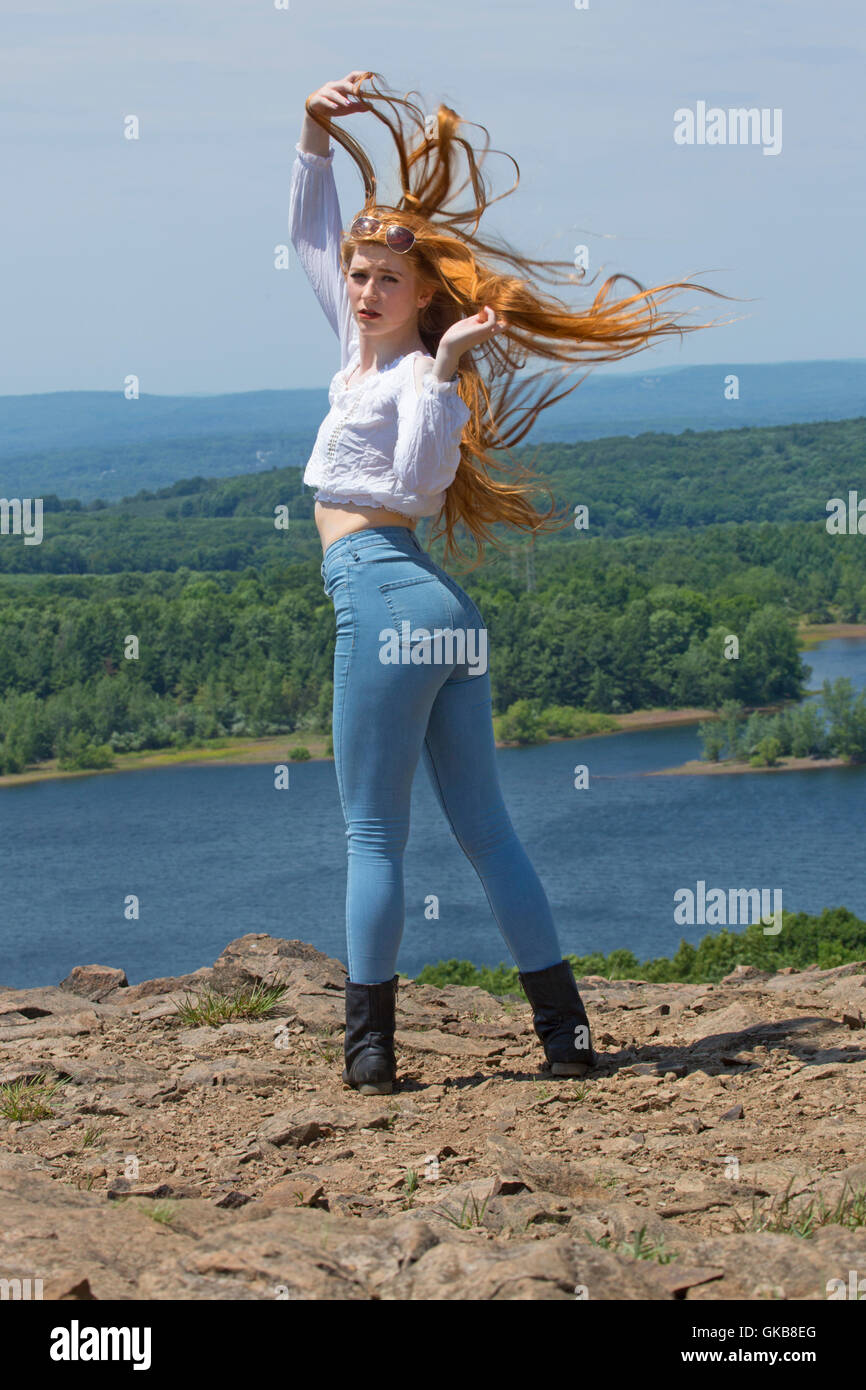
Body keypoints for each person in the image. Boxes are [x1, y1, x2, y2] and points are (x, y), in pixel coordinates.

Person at [289, 70, 724, 1095]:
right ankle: (563, 1033)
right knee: (486, 832)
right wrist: (312, 126)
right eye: (356, 275)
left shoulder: (409, 375)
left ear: (426, 295)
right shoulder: (355, 351)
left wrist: (440, 374)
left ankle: (368, 1051)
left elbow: (413, 487)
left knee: (370, 834)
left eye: (382, 281)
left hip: (384, 594)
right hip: (436, 610)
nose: (359, 288)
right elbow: (310, 235)